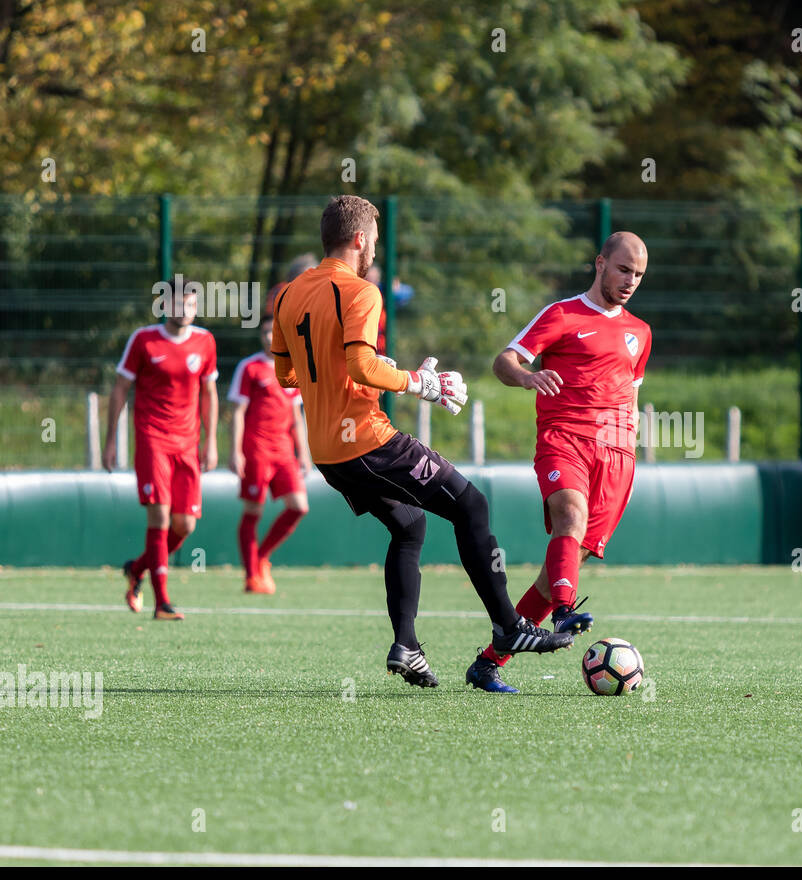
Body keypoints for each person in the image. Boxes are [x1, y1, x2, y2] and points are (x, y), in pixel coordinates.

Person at [271, 195, 567, 689]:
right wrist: (418, 383)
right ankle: (509, 625)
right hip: (366, 441)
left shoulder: (288, 294)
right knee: (471, 505)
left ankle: (406, 646)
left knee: (409, 527)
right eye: (375, 243)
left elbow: (287, 375)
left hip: (326, 451)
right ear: (361, 240)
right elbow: (360, 366)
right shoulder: (363, 292)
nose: (375, 253)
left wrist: (369, 373)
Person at [468, 231, 651, 693]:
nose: (630, 281)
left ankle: (490, 662)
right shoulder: (563, 314)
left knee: (554, 578)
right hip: (563, 439)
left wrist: (629, 442)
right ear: (600, 264)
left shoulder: (640, 332)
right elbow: (504, 361)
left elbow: (631, 394)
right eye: (623, 269)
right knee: (569, 514)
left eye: (639, 274)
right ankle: (568, 612)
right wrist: (529, 377)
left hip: (615, 457)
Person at [105, 279, 219, 621]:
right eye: (177, 303)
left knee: (184, 526)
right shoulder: (143, 340)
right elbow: (120, 388)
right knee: (160, 516)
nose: (183, 309)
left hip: (188, 444)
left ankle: (137, 569)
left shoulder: (205, 341)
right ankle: (162, 603)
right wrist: (111, 440)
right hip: (153, 439)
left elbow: (209, 394)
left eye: (190, 303)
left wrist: (211, 442)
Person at [229, 316, 311, 593]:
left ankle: (261, 557)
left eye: (274, 333)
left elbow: (297, 415)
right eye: (265, 333)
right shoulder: (249, 367)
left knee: (299, 506)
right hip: (257, 450)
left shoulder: (293, 368)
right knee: (254, 510)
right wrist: (235, 451)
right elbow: (238, 412)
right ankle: (252, 574)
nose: (269, 338)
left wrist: (304, 453)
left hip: (284, 450)